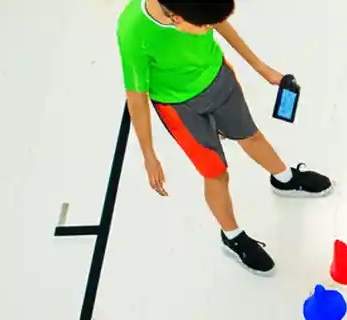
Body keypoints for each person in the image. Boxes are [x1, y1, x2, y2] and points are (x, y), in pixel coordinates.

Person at [118, 0, 333, 275]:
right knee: (216, 173)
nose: (210, 28)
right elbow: (137, 98)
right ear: (175, 18)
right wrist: (149, 155)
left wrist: (261, 67)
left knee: (251, 136)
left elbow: (219, 21)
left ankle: (285, 179)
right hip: (179, 108)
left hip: (220, 79)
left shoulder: (195, 9)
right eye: (203, 26)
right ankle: (232, 236)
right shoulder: (134, 32)